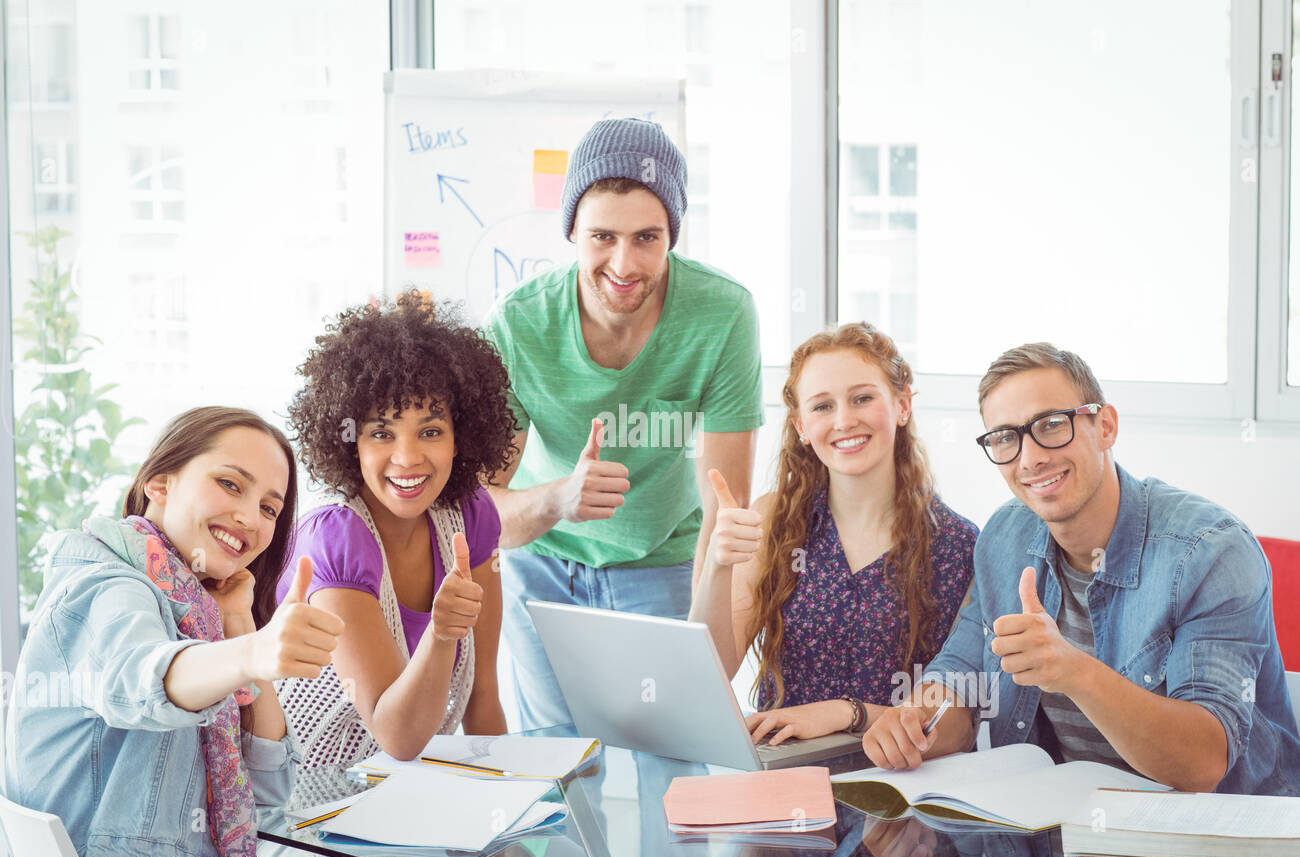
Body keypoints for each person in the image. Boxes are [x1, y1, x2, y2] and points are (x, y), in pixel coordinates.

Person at [861, 343, 1300, 796]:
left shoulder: (1210, 551)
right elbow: (960, 674)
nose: (1030, 458)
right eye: (1006, 438)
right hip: (1065, 830)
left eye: (1052, 424)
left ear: (1104, 426)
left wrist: (1074, 671)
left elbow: (1205, 763)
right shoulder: (1005, 537)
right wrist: (915, 719)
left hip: (1215, 839)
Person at [482, 116, 763, 732]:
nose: (624, 262)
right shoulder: (518, 322)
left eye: (647, 237)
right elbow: (484, 514)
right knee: (555, 769)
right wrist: (561, 498)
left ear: (672, 236)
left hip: (662, 561)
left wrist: (707, 653)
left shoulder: (723, 313)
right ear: (573, 233)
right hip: (545, 562)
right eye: (602, 236)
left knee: (669, 754)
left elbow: (726, 503)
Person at [3, 407, 339, 857]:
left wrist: (239, 621)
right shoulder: (106, 583)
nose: (249, 517)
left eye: (268, 508)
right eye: (230, 484)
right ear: (159, 484)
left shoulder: (195, 607)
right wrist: (250, 652)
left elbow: (268, 783)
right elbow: (140, 677)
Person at [690, 322, 977, 742]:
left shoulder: (958, 544)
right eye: (822, 407)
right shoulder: (774, 520)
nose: (844, 420)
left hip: (901, 784)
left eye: (862, 398)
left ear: (902, 404)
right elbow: (706, 674)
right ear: (801, 426)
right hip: (786, 776)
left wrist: (848, 714)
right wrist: (718, 566)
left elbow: (957, 729)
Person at [276, 294, 514, 768]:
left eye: (430, 431)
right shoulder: (335, 540)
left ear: (460, 436)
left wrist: (508, 801)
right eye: (382, 434)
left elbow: (482, 698)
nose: (407, 458)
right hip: (310, 801)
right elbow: (397, 735)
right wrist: (443, 634)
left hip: (410, 788)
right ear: (351, 444)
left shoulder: (471, 516)